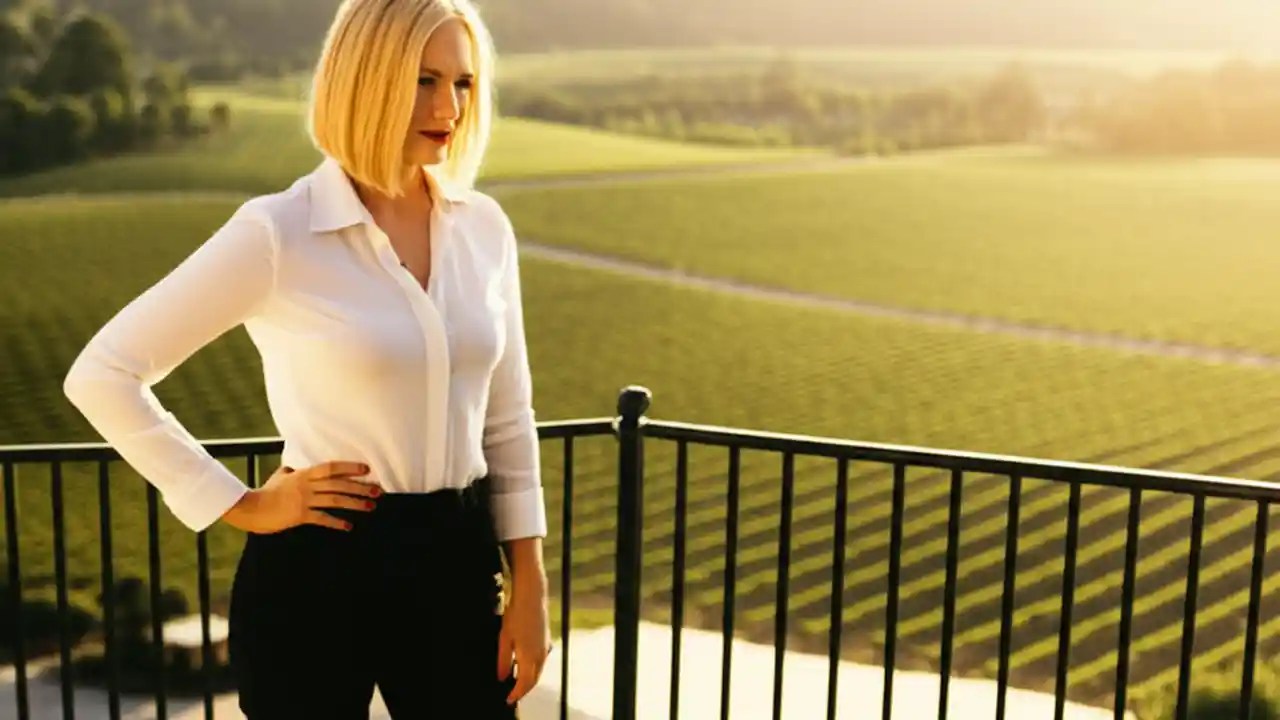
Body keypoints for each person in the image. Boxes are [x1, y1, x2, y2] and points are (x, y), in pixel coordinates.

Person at [61, 1, 552, 716]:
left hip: (456, 560)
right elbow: (103, 374)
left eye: (463, 83)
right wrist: (244, 504)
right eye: (423, 80)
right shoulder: (277, 232)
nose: (448, 105)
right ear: (365, 80)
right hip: (317, 565)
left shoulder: (484, 229)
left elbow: (507, 421)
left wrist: (531, 586)